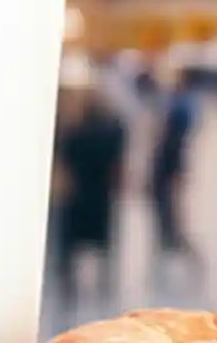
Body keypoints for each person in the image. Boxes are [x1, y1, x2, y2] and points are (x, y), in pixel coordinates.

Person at [55, 92, 127, 303]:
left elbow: (66, 160)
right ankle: (105, 283)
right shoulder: (110, 135)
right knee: (103, 242)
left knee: (69, 245)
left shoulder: (76, 135)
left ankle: (68, 284)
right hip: (101, 196)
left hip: (78, 196)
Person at [149, 72, 204, 288]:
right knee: (165, 220)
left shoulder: (181, 112)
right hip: (165, 173)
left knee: (172, 222)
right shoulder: (181, 108)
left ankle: (188, 256)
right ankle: (163, 258)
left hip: (168, 173)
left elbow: (176, 150)